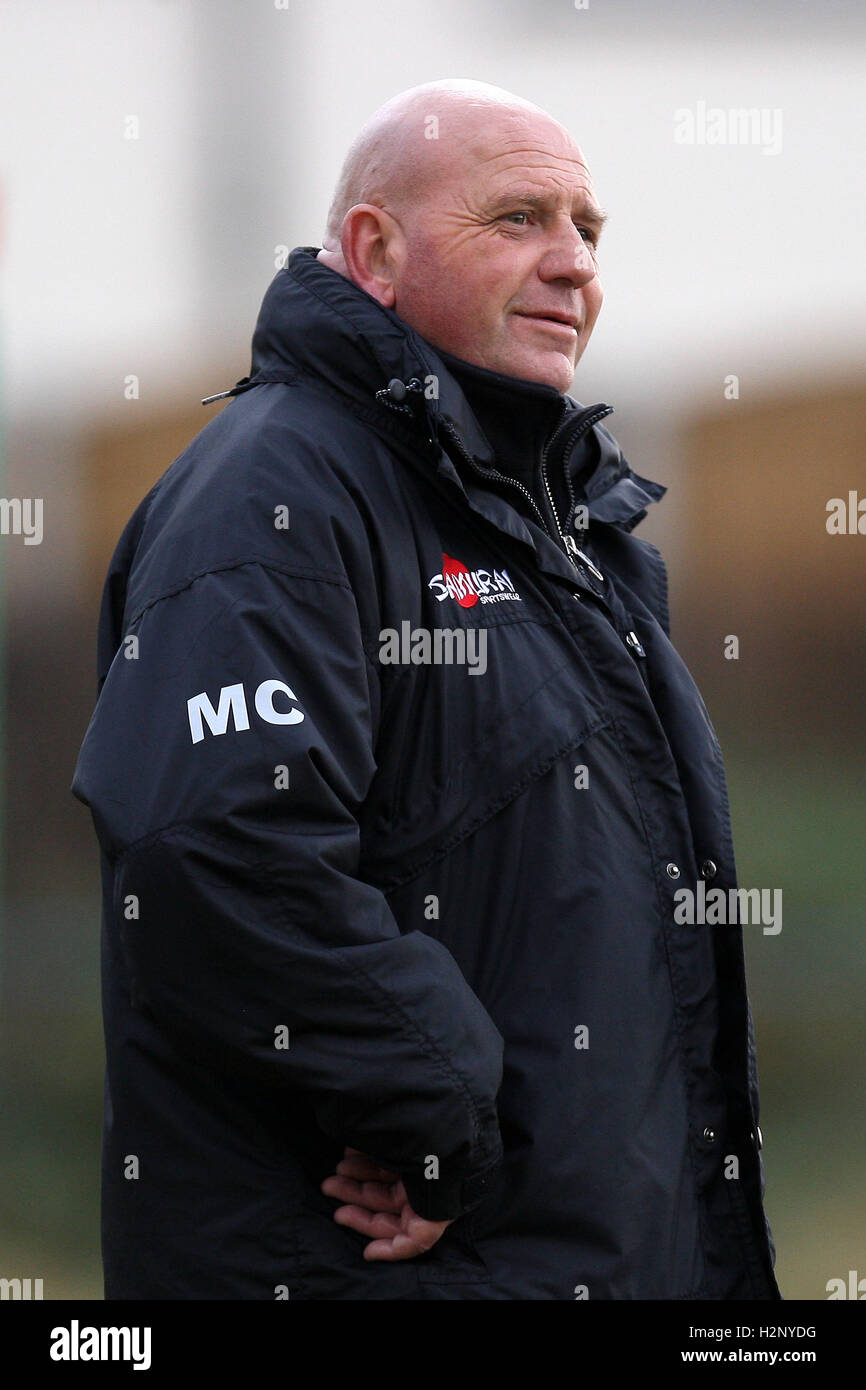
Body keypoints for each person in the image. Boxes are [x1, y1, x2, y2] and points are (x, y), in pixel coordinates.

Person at [71, 78, 781, 1300]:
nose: (571, 266)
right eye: (516, 219)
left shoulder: (561, 523)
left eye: (587, 229)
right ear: (373, 252)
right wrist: (442, 1110)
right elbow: (219, 847)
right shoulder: (271, 500)